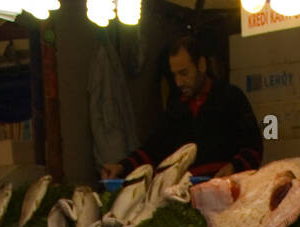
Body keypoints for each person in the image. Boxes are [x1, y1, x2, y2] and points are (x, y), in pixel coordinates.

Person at [100, 35, 262, 182]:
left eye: (184, 73)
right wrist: (121, 167)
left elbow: (254, 147)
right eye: (175, 75)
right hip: (188, 200)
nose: (178, 82)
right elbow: (152, 150)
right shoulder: (175, 110)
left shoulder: (231, 97)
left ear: (202, 65)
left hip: (230, 194)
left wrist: (234, 167)